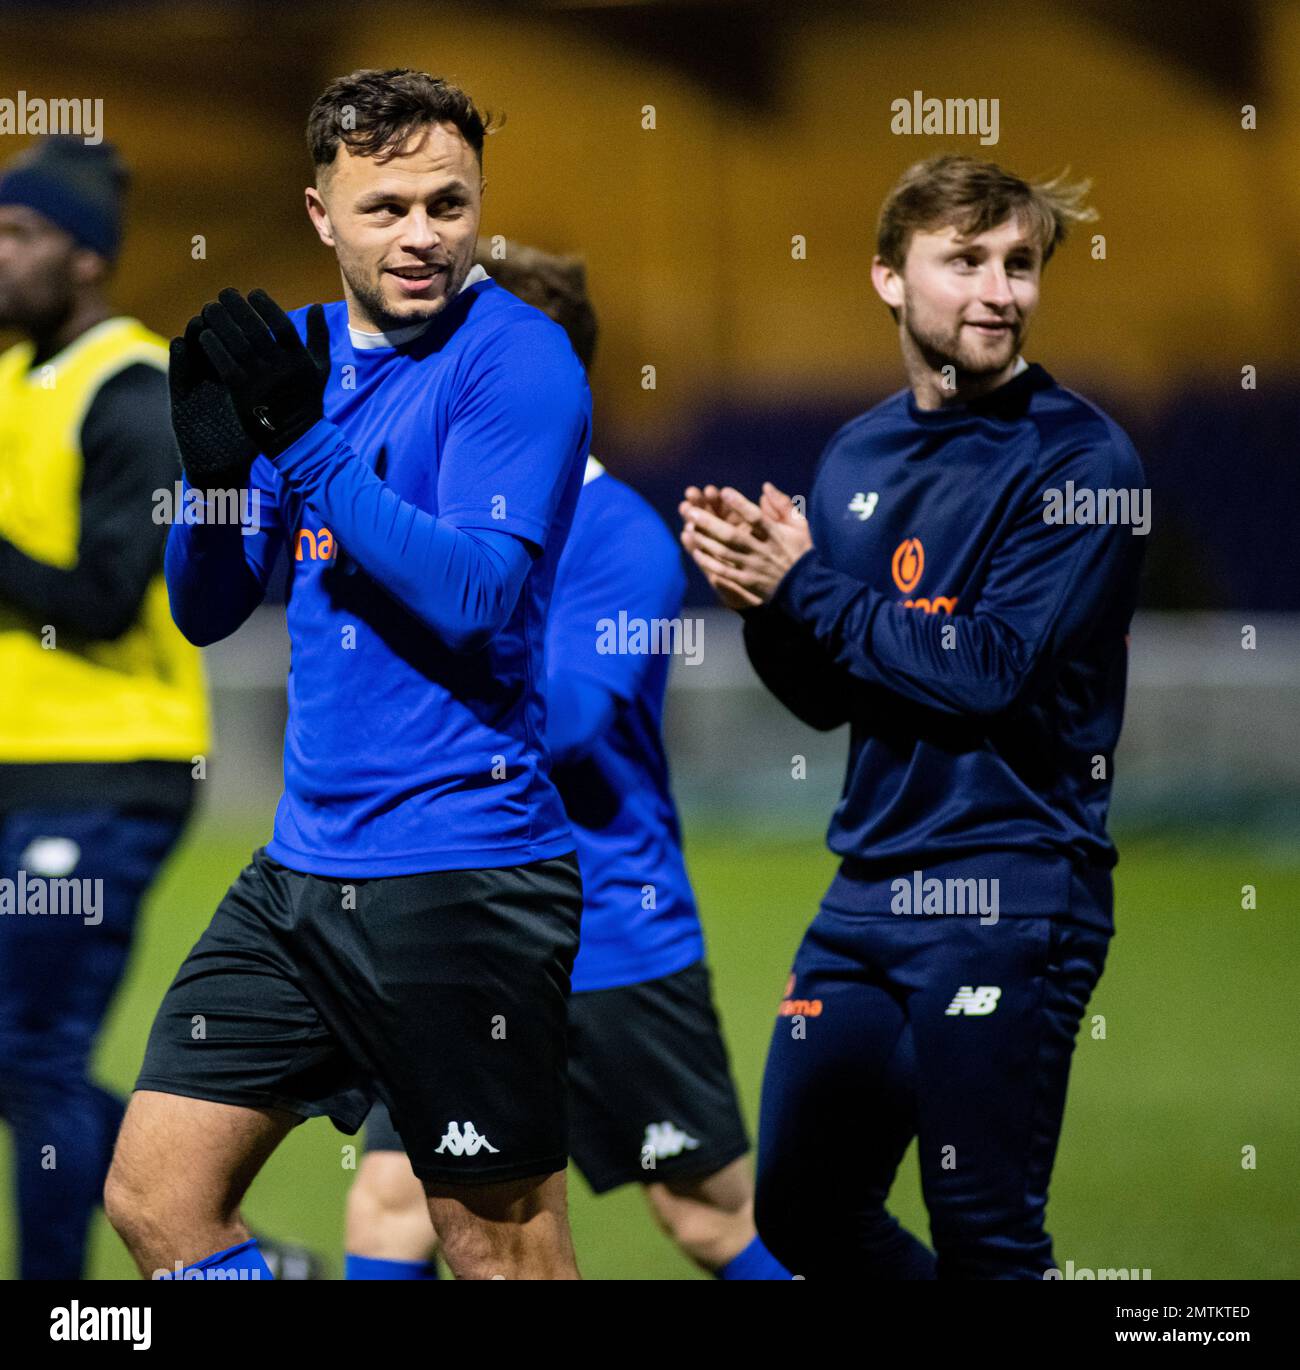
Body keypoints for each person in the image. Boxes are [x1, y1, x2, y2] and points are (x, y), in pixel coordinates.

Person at [103, 68, 591, 1281]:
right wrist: (214, 476)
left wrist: (303, 442)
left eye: (448, 202)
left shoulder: (517, 363)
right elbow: (209, 609)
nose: (423, 234)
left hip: (464, 872)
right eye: (385, 207)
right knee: (154, 1195)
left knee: (500, 1248)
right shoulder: (297, 353)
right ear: (320, 214)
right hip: (302, 873)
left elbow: (477, 598)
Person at [680, 155, 1147, 1280]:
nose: (999, 290)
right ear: (888, 277)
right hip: (865, 894)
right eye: (966, 260)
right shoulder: (857, 452)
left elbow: (984, 671)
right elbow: (832, 693)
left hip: (1013, 888)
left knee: (984, 1233)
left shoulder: (1084, 463)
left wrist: (809, 588)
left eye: (1020, 264)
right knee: (798, 1211)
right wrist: (765, 602)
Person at [344, 243, 790, 1281]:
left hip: (606, 930)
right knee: (393, 1195)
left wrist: (405, 713)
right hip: (453, 920)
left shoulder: (621, 535)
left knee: (706, 1214)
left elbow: (581, 716)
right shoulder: (441, 520)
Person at [0, 136, 206, 1279]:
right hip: (20, 767)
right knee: (20, 1055)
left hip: (109, 768)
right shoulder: (12, 373)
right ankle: (225, 1242)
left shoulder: (135, 388)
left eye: (20, 236)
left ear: (85, 259)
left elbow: (104, 591)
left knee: (33, 1048)